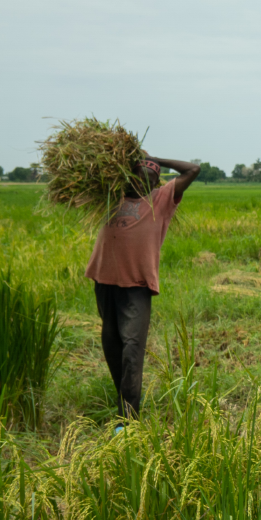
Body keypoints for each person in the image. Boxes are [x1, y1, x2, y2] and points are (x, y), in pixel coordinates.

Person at [85, 154, 200, 419]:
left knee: (132, 349)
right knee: (111, 346)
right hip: (104, 281)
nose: (141, 183)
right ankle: (124, 403)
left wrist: (154, 158)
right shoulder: (111, 195)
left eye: (148, 179)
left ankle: (128, 420)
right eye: (137, 176)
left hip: (136, 286)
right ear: (128, 177)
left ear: (156, 183)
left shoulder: (161, 199)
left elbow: (193, 169)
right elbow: (92, 171)